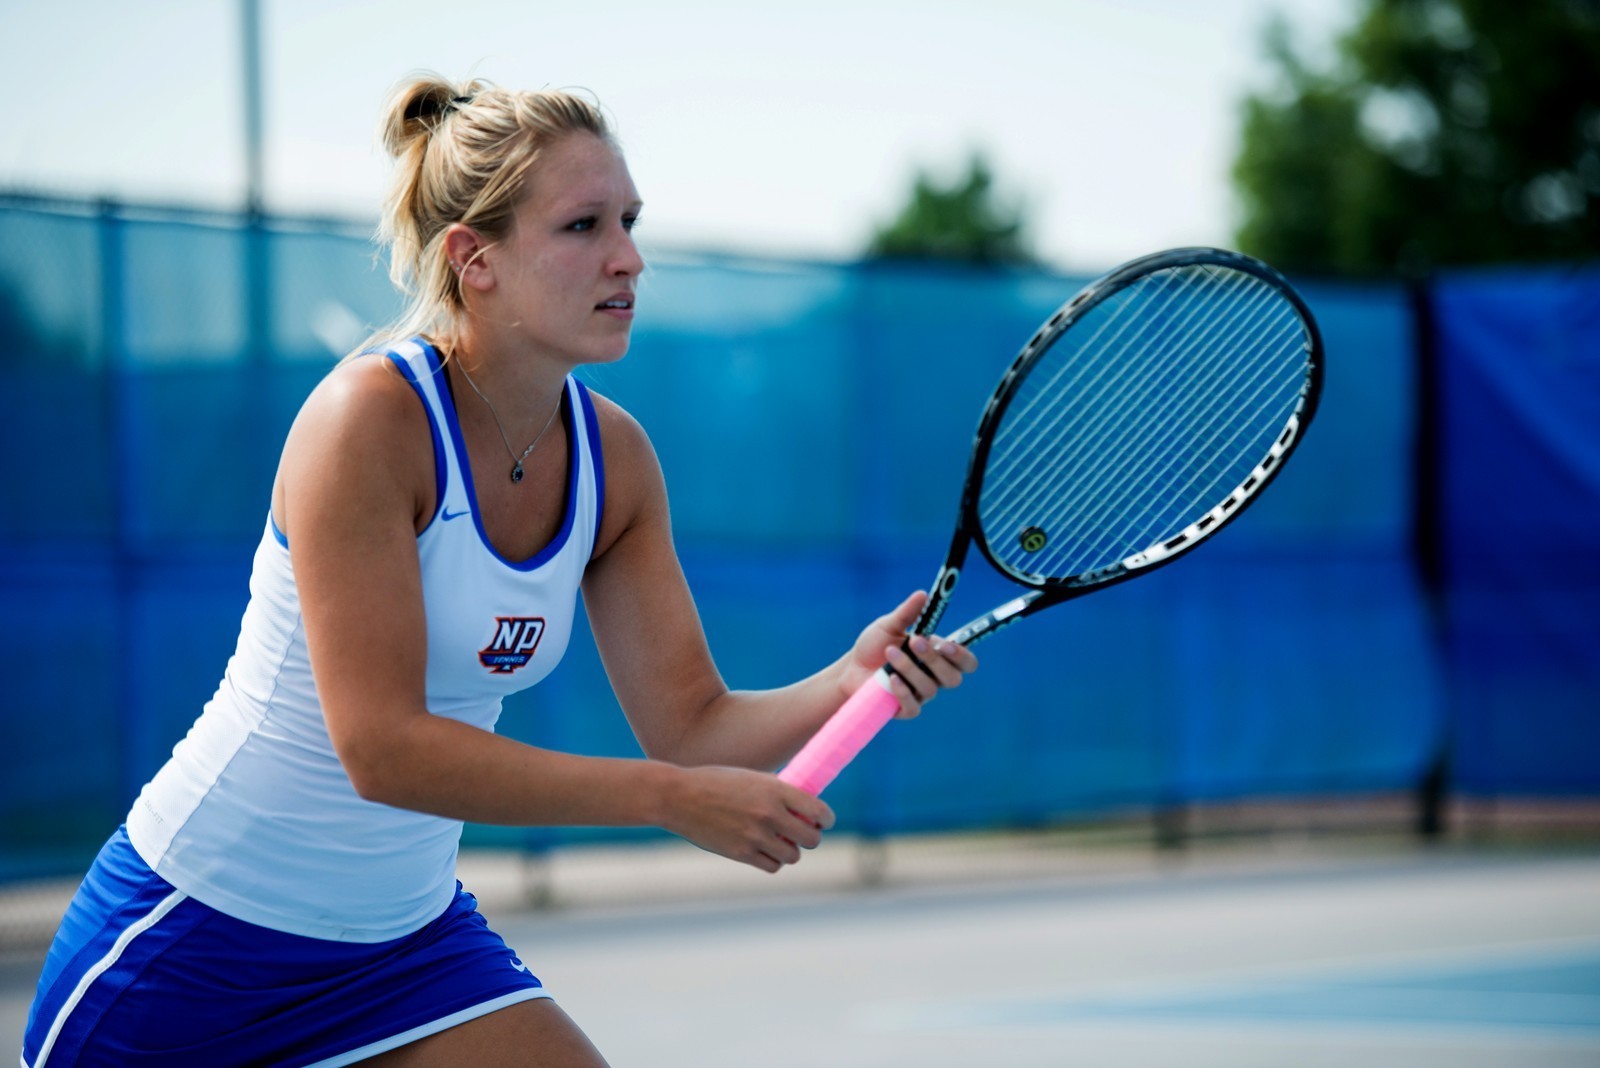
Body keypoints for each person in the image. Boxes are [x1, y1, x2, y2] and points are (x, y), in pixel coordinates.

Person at [21, 74, 976, 1067]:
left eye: (630, 221)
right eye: (582, 226)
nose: (628, 257)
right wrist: (663, 799)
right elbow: (383, 750)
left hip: (402, 950)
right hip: (196, 937)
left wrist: (847, 684)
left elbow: (691, 726)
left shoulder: (617, 463)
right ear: (474, 261)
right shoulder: (368, 425)